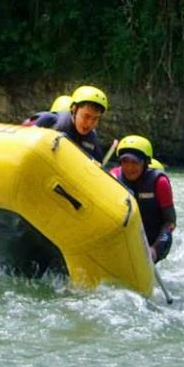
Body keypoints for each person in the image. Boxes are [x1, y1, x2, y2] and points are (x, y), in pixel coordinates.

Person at [109, 135, 176, 263]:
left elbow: (170, 222)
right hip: (123, 237)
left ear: (145, 163)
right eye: (125, 161)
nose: (129, 167)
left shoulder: (160, 182)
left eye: (135, 162)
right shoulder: (114, 177)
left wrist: (154, 250)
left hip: (153, 239)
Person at [29, 85, 108, 161]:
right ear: (74, 109)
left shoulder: (92, 138)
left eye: (95, 119)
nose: (89, 123)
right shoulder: (50, 120)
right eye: (86, 116)